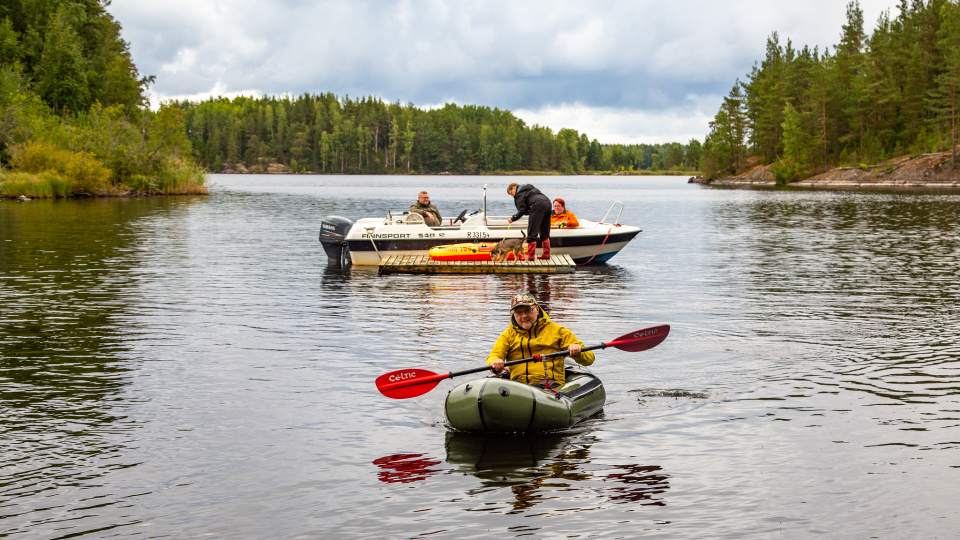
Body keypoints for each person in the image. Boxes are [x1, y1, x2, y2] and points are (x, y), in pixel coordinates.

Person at [487, 292, 594, 388]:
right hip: (518, 387)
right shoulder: (507, 335)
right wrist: (495, 362)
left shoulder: (558, 331)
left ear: (537, 309)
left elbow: (589, 358)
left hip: (549, 384)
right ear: (514, 315)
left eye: (527, 311)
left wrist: (577, 351)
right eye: (518, 313)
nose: (523, 316)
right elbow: (494, 355)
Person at [506, 183, 552, 260]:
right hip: (547, 202)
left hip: (537, 205)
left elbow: (521, 210)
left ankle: (530, 256)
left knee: (532, 231)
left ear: (514, 188)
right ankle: (546, 254)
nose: (512, 196)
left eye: (511, 193)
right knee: (544, 230)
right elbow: (526, 209)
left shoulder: (519, 194)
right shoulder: (529, 189)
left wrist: (513, 219)